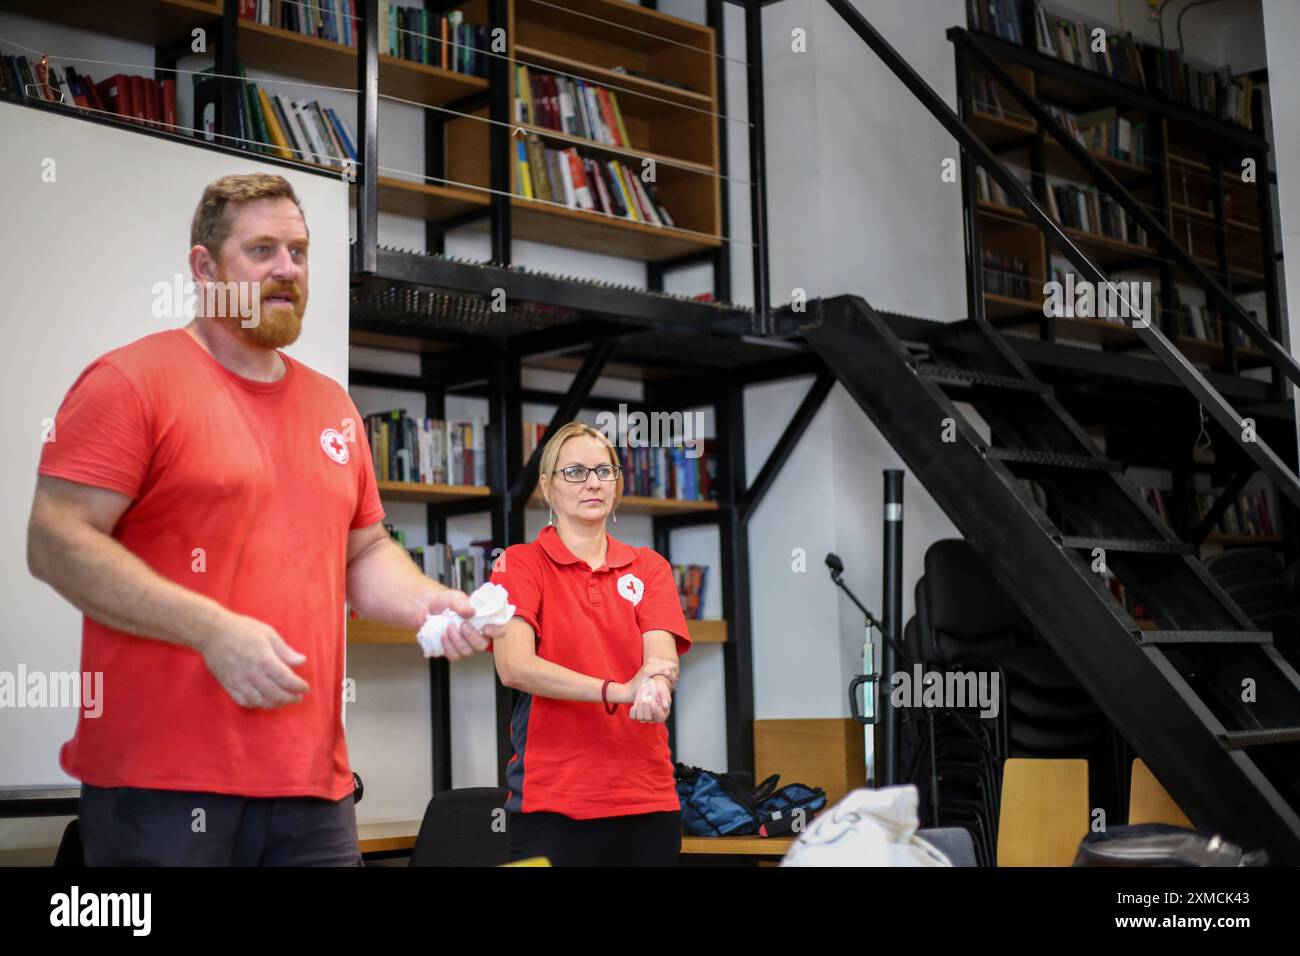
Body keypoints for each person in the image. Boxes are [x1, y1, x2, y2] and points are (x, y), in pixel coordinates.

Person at [26, 173, 501, 866]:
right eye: (263, 250)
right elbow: (55, 542)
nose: (287, 269)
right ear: (203, 266)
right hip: (160, 787)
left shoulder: (333, 406)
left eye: (300, 252)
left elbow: (363, 553)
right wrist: (211, 629)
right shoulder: (131, 383)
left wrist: (430, 601)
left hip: (314, 787)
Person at [489, 422, 691, 866]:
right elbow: (515, 667)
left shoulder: (650, 566)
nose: (593, 482)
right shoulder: (518, 564)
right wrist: (617, 690)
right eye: (575, 472)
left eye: (604, 470)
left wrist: (657, 683)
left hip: (648, 797)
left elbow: (659, 656)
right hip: (552, 801)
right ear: (547, 485)